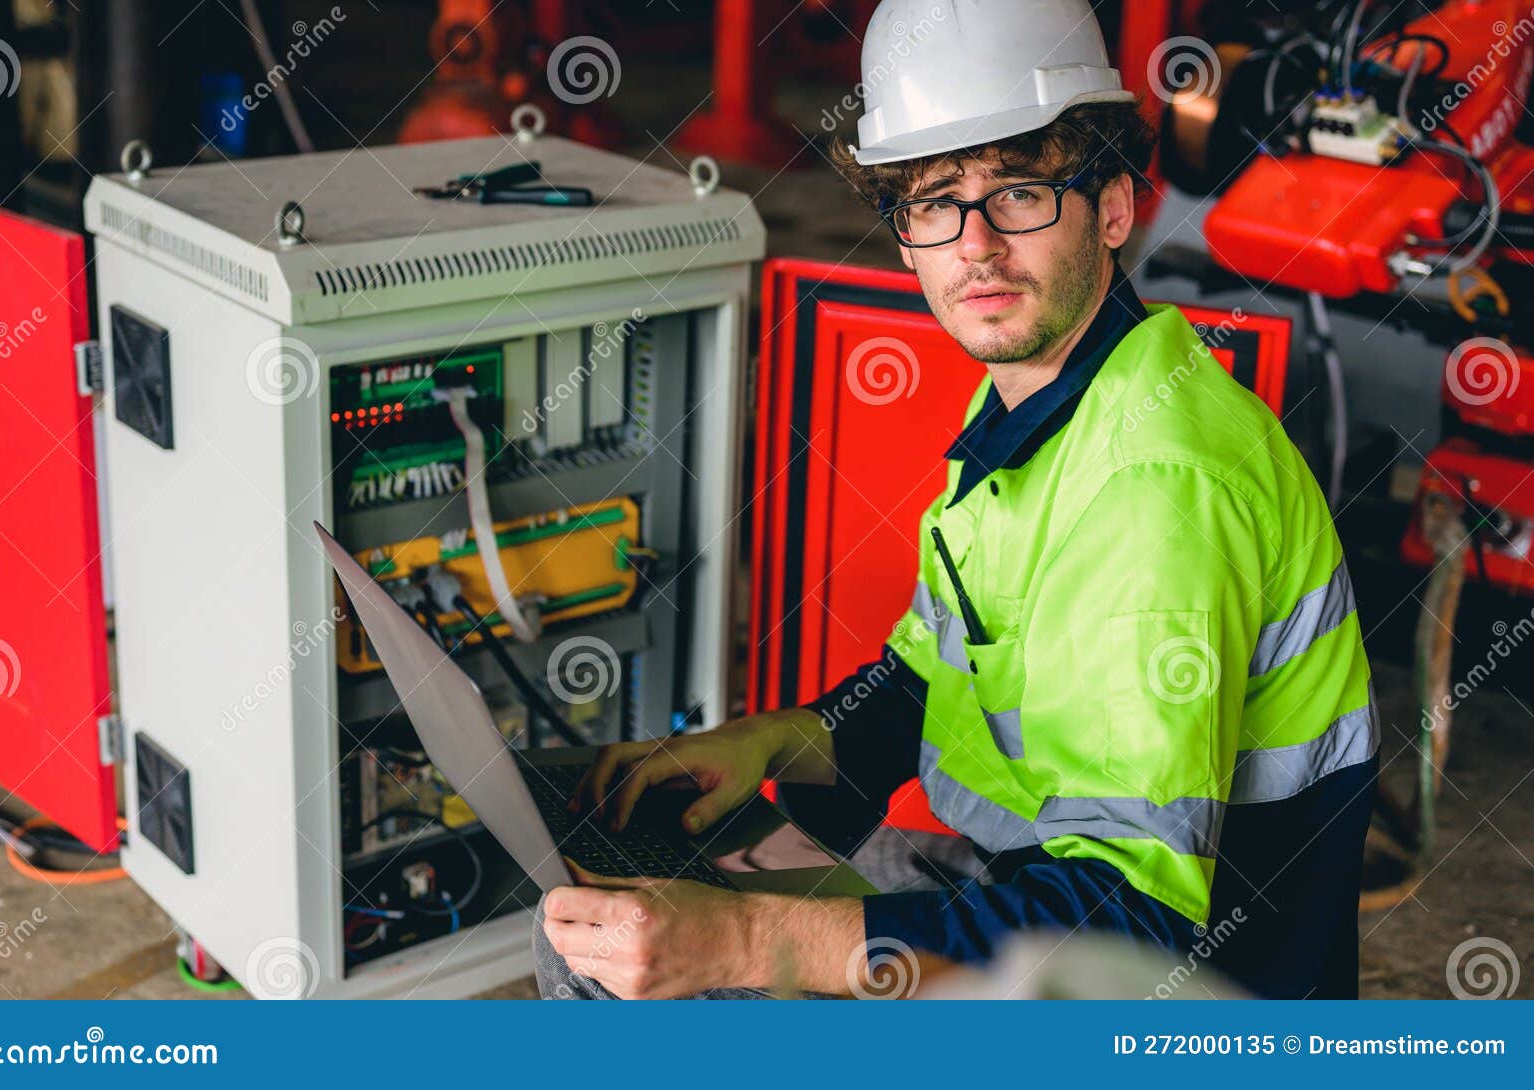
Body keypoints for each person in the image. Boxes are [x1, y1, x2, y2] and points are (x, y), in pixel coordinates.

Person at [535, 0, 1377, 1000]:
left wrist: (751, 942)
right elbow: (927, 678)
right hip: (1029, 882)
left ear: (1112, 209)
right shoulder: (1037, 400)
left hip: (1181, 995)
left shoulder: (1156, 486)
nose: (975, 244)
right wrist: (770, 740)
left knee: (645, 972)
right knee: (608, 921)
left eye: (1018, 191)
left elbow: (1135, 922)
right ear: (906, 237)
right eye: (936, 202)